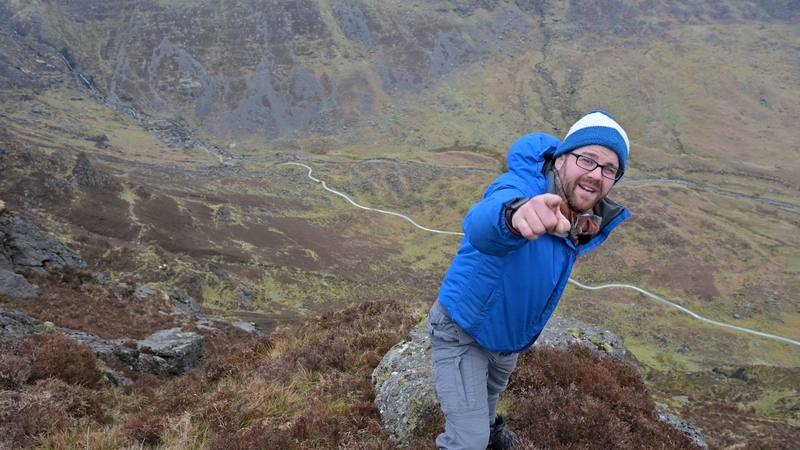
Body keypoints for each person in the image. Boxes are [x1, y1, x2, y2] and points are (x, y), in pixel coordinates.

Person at [428, 110, 631, 449]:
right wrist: (514, 216)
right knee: (468, 441)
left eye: (609, 169)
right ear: (562, 158)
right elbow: (482, 223)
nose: (596, 175)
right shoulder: (523, 187)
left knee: (492, 391)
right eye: (587, 159)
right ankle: (481, 434)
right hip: (462, 331)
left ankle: (491, 429)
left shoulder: (583, 220)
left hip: (508, 339)